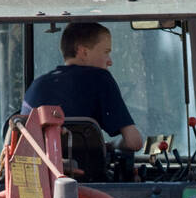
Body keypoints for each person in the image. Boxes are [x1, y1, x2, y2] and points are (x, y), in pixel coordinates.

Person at [21, 22, 145, 152]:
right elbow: (133, 142)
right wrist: (110, 145)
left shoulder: (37, 84)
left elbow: (24, 142)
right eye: (106, 52)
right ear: (83, 52)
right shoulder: (101, 78)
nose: (110, 61)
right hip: (88, 171)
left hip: (38, 171)